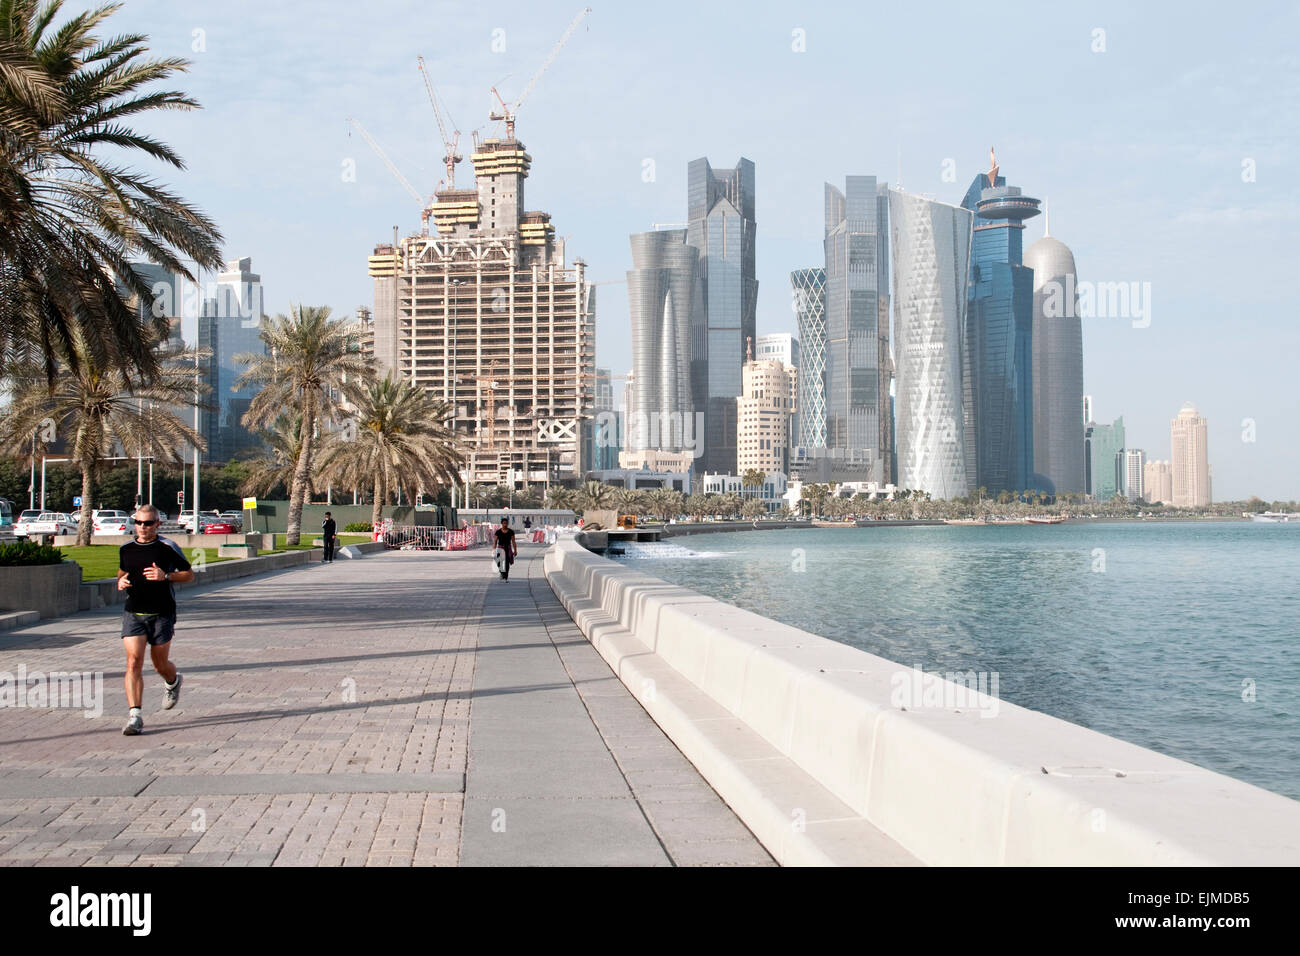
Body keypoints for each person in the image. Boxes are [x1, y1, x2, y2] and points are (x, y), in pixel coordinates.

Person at [116, 503, 194, 735]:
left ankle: (172, 682)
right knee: (133, 662)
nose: (142, 527)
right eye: (138, 522)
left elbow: (189, 574)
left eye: (148, 523)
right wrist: (119, 582)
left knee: (160, 664)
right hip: (134, 613)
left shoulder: (167, 547)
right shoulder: (126, 549)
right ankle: (135, 716)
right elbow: (122, 572)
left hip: (162, 614)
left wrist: (166, 576)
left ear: (157, 524)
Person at [493, 516, 517, 581]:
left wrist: (515, 550)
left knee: (507, 563)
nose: (505, 524)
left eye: (506, 523)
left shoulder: (511, 531)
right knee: (499, 563)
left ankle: (506, 576)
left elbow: (513, 542)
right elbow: (495, 541)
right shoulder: (498, 532)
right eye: (504, 523)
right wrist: (494, 550)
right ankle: (502, 573)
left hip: (507, 548)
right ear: (501, 524)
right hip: (500, 548)